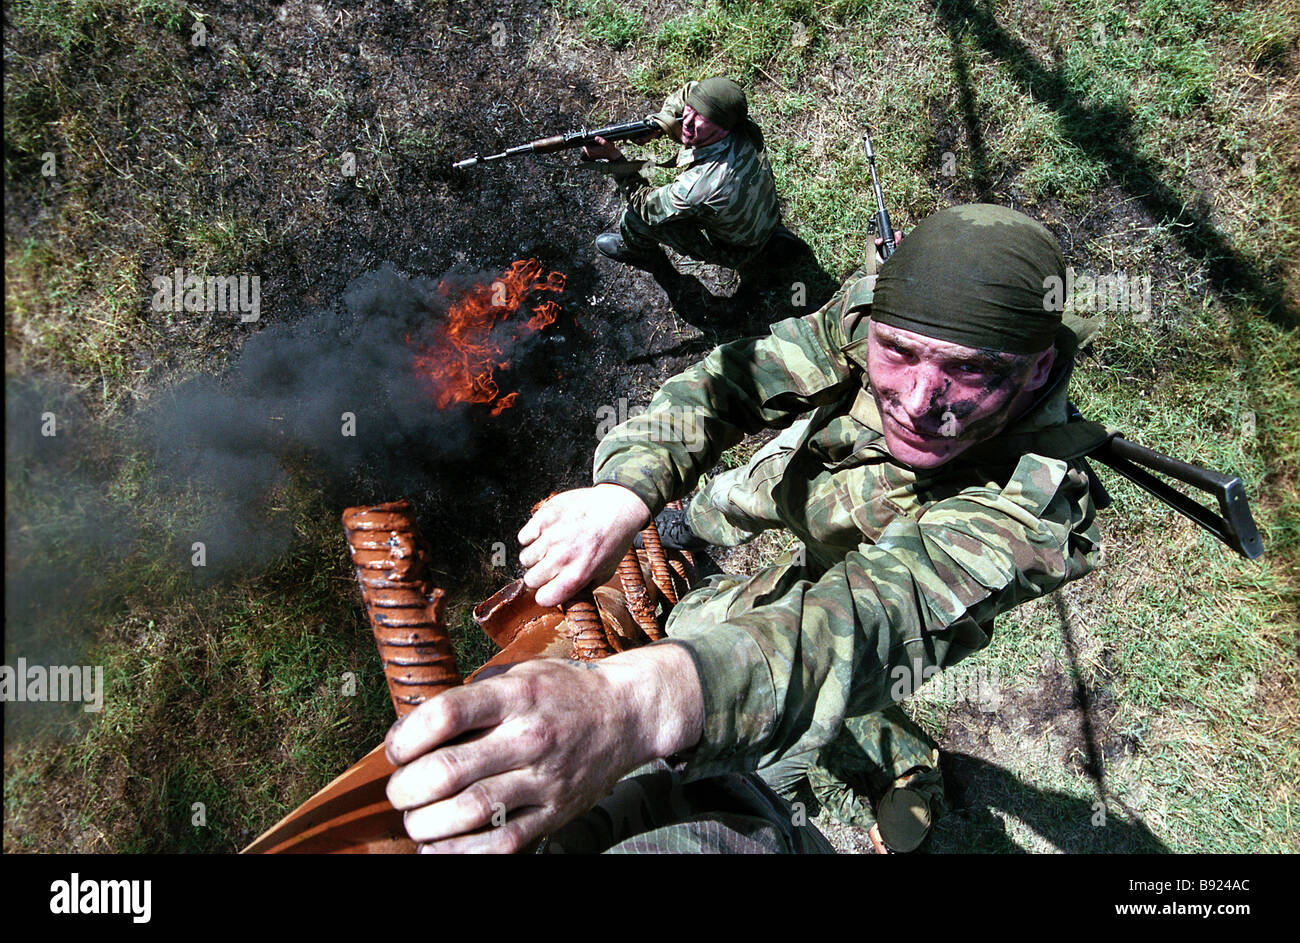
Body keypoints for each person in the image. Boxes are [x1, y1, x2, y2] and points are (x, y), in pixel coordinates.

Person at [383, 204, 1110, 853]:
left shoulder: (1033, 505)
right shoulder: (880, 313)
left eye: (970, 371)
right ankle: (694, 541)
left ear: (1039, 364)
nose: (920, 400)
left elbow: (863, 620)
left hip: (888, 564)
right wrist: (625, 486)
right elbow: (735, 380)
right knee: (709, 547)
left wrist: (631, 705)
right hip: (807, 482)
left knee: (767, 654)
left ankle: (900, 763)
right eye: (899, 354)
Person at [582, 77, 786, 271]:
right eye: (691, 108)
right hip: (768, 215)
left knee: (634, 218)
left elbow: (647, 207)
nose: (687, 120)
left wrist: (615, 159)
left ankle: (639, 250)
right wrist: (662, 123)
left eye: (701, 118)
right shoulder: (740, 122)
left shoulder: (702, 184)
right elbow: (690, 90)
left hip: (738, 249)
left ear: (723, 129)